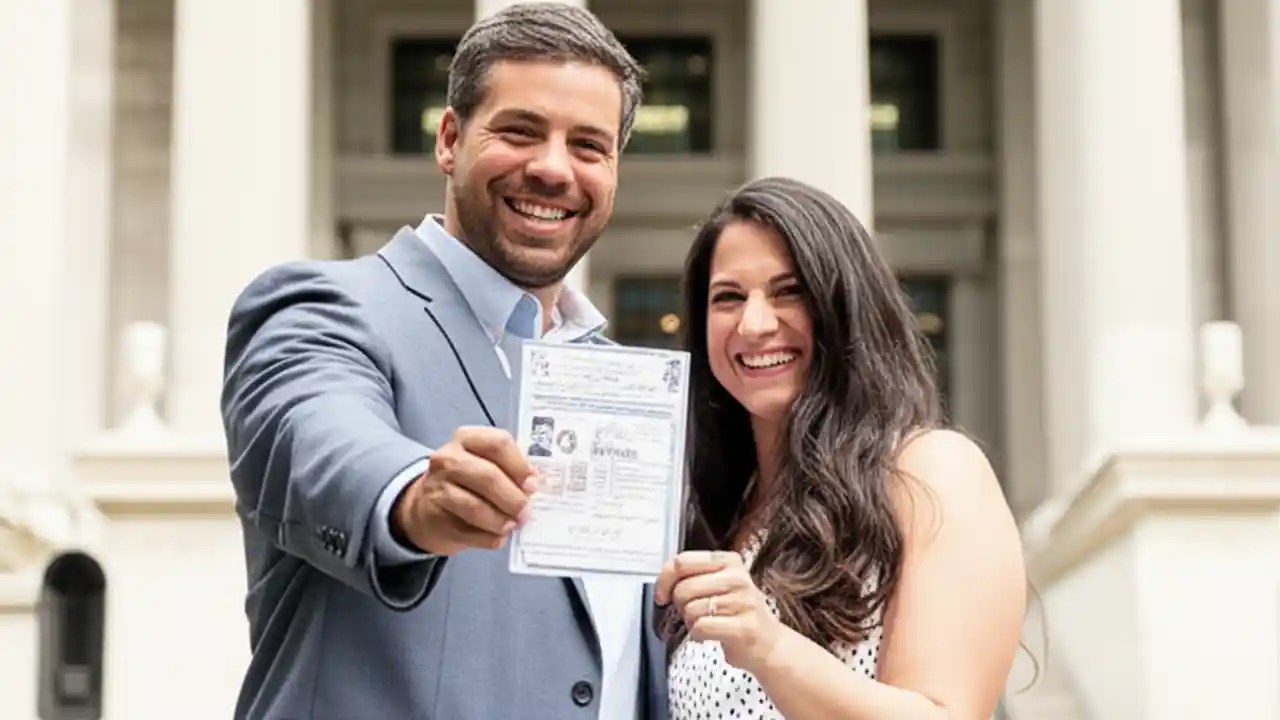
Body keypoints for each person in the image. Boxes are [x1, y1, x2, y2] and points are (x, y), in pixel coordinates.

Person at [220, 4, 664, 718]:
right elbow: (321, 438)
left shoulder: (627, 387)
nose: (553, 168)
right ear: (450, 139)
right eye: (520, 132)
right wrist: (412, 498)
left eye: (588, 145)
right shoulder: (324, 308)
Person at [654, 177, 1027, 719]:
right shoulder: (721, 513)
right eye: (729, 297)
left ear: (845, 307)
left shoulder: (930, 469)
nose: (754, 324)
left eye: (789, 291)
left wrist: (770, 648)